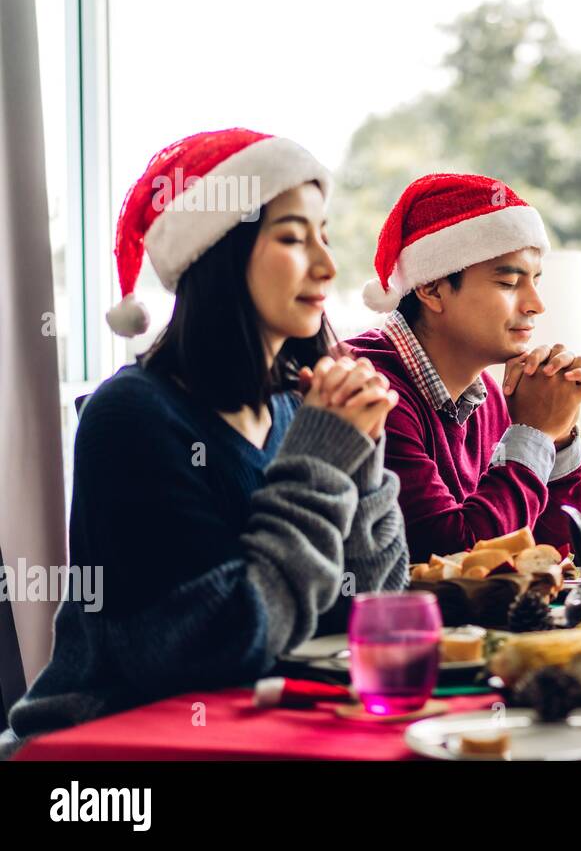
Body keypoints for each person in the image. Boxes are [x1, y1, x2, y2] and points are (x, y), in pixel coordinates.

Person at [1, 129, 407, 757]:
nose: (327, 266)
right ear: (218, 252)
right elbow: (214, 646)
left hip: (254, 735)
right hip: (110, 755)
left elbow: (372, 613)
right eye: (294, 238)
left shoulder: (293, 409)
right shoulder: (132, 416)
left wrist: (362, 458)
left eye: (324, 235)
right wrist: (323, 462)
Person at [346, 173, 581, 559]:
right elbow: (453, 556)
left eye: (535, 281)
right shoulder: (367, 387)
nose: (536, 305)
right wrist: (534, 432)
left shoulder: (488, 393)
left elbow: (562, 549)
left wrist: (557, 434)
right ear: (431, 288)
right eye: (509, 283)